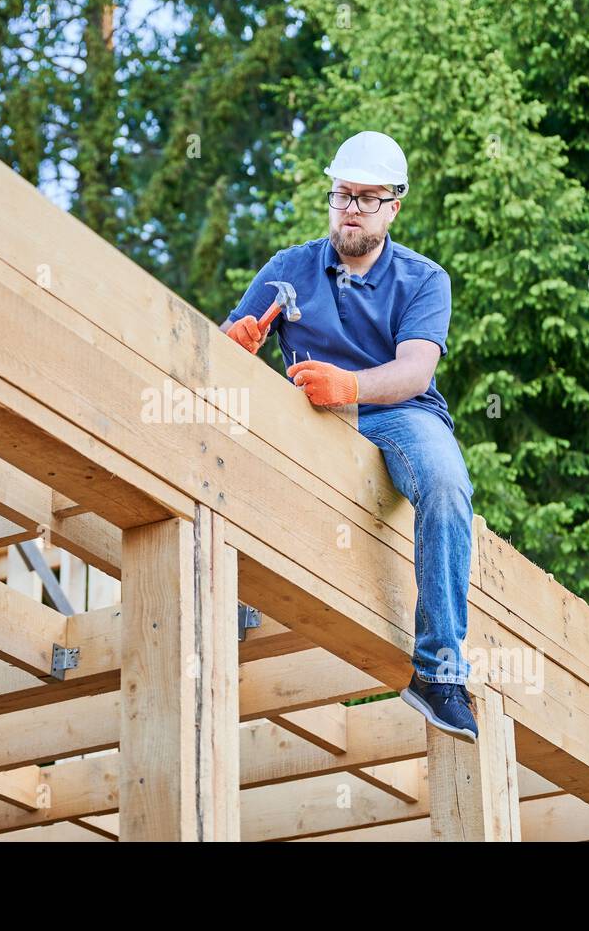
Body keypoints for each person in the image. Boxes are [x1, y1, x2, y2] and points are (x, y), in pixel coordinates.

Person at [218, 131, 478, 743]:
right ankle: (234, 591)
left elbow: (415, 371)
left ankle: (439, 673)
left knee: (445, 484)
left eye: (367, 197)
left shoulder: (423, 279)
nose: (352, 208)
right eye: (343, 195)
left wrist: (351, 387)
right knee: (230, 426)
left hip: (398, 412)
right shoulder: (288, 269)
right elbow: (222, 343)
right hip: (306, 416)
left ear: (394, 205)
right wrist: (234, 348)